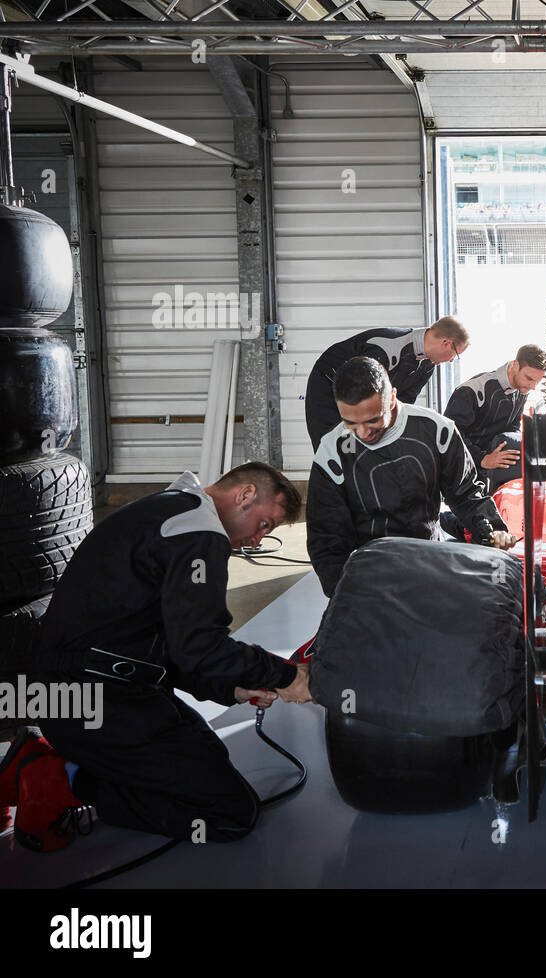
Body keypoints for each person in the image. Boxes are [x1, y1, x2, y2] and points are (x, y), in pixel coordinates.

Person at [7, 463, 311, 852]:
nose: (257, 540)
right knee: (229, 813)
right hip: (94, 699)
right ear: (245, 494)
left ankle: (57, 760)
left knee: (208, 759)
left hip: (88, 692)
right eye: (265, 524)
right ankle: (59, 779)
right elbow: (201, 646)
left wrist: (231, 685)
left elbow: (172, 646)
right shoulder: (198, 534)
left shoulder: (170, 511)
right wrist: (288, 675)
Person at [307, 356, 514, 599]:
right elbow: (327, 537)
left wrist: (494, 533)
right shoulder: (333, 450)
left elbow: (467, 494)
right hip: (370, 579)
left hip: (430, 563)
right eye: (351, 423)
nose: (363, 433)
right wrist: (346, 593)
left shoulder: (436, 430)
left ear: (392, 398)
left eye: (373, 419)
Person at [304, 317, 469, 451]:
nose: (452, 360)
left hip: (362, 397)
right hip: (328, 386)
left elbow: (402, 403)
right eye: (456, 355)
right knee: (335, 449)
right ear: (446, 343)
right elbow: (361, 395)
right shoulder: (389, 347)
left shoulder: (427, 366)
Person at [442, 344, 546, 492]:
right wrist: (483, 459)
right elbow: (449, 435)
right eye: (529, 378)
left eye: (537, 381)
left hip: (490, 467)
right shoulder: (472, 390)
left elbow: (513, 426)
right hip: (459, 467)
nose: (533, 386)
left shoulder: (521, 389)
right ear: (515, 365)